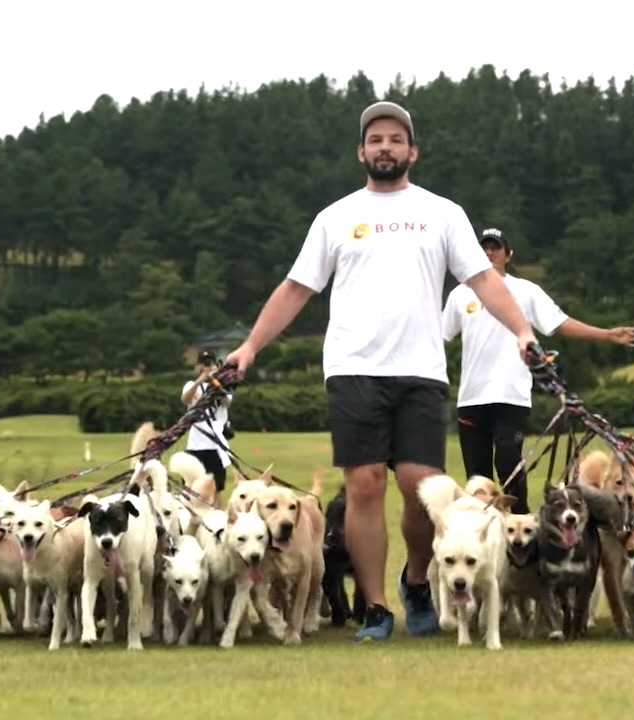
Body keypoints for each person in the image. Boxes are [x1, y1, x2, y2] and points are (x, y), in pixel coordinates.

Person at [223, 100, 537, 642]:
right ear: (361, 152)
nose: (385, 147)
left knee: (423, 490)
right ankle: (375, 609)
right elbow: (297, 288)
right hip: (352, 369)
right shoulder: (336, 217)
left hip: (420, 370)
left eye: (395, 139)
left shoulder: (443, 213)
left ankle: (415, 581)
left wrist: (522, 331)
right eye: (376, 140)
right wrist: (249, 347)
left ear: (411, 151)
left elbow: (485, 281)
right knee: (363, 486)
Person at [441, 227, 634, 514]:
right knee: (477, 476)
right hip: (472, 398)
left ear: (508, 255)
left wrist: (607, 335)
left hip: (511, 396)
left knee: (509, 461)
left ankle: (520, 522)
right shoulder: (461, 294)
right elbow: (440, 336)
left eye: (495, 247)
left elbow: (559, 323)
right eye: (483, 248)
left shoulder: (526, 291)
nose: (489, 253)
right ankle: (481, 534)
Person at [181, 350, 233, 501]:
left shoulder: (221, 386)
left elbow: (227, 402)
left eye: (210, 364)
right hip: (195, 445)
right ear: (197, 367)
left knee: (216, 488)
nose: (207, 367)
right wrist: (200, 380)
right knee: (190, 486)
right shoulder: (191, 385)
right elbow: (185, 400)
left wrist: (216, 383)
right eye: (204, 364)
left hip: (215, 446)